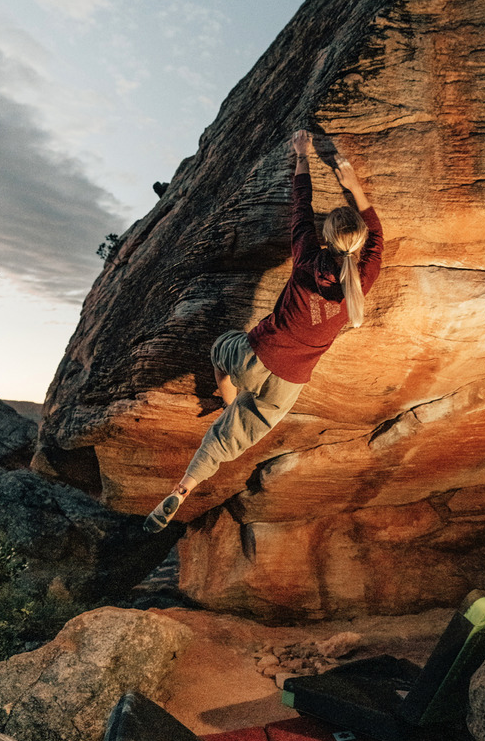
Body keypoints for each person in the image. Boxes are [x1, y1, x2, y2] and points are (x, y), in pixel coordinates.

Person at [144, 129, 383, 532]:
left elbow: (300, 208)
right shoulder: (362, 279)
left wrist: (303, 157)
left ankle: (226, 401)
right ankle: (185, 485)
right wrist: (353, 185)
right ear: (356, 245)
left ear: (325, 238)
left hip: (256, 354)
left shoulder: (307, 255)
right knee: (227, 440)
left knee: (221, 348)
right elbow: (377, 235)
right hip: (288, 384)